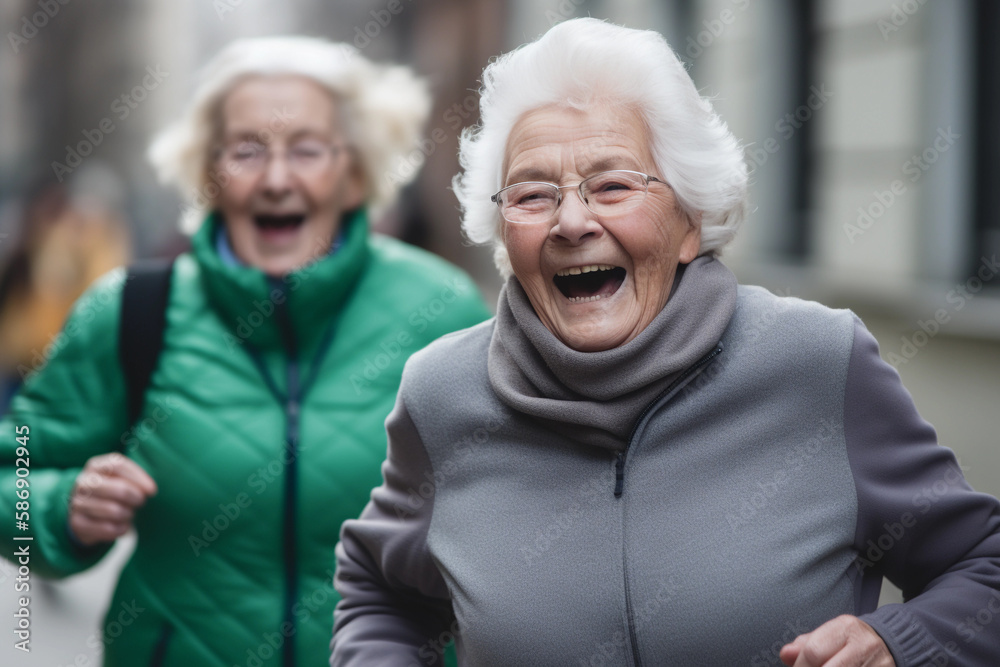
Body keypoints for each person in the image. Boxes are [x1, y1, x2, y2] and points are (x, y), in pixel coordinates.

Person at [331, 18, 1000, 667]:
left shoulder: (818, 361)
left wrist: (900, 642)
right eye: (532, 196)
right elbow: (382, 592)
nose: (570, 221)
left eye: (613, 185)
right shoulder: (444, 393)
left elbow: (983, 566)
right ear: (505, 234)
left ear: (690, 219)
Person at [0, 36, 490, 666]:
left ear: (355, 172)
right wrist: (60, 508)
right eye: (246, 150)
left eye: (308, 150)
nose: (277, 179)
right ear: (208, 171)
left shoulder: (441, 309)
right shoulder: (128, 312)